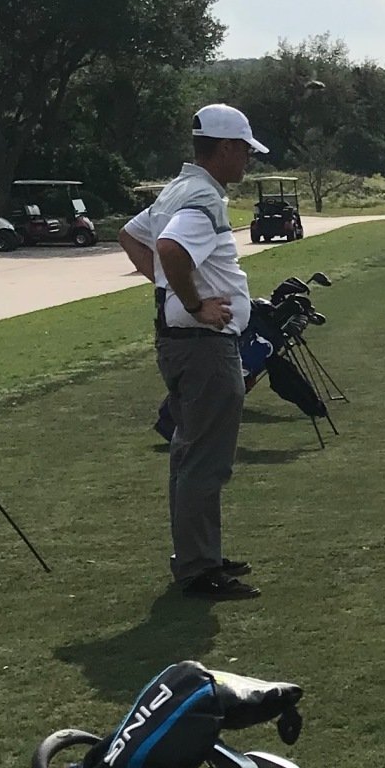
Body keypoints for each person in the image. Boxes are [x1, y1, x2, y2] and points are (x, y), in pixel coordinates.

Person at [119, 103, 269, 601]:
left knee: (189, 454)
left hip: (183, 343)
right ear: (225, 148)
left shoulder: (178, 188)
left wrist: (168, 288)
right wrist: (193, 302)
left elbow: (131, 235)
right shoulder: (202, 196)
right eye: (244, 150)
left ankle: (198, 555)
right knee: (205, 460)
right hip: (204, 347)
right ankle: (199, 568)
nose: (247, 159)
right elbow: (169, 249)